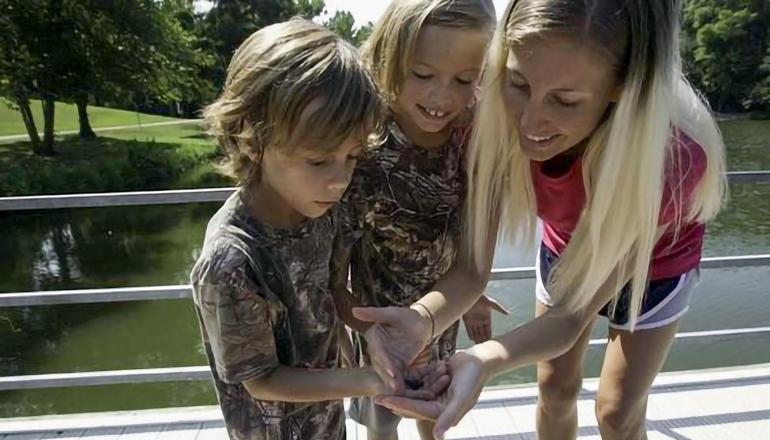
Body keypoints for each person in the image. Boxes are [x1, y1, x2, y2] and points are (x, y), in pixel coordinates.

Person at [373, 1, 728, 439]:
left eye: (565, 101)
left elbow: (569, 317)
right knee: (555, 386)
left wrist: (486, 358)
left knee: (617, 411)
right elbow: (471, 270)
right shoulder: (484, 109)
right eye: (518, 84)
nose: (529, 122)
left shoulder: (673, 164)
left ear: (621, 87)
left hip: (657, 267)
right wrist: (424, 320)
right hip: (566, 244)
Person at [190, 19, 445, 440]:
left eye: (351, 157)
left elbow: (332, 290)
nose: (340, 181)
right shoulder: (231, 262)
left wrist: (369, 332)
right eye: (318, 160)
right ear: (252, 138)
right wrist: (368, 381)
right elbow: (262, 380)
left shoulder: (321, 209)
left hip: (328, 422)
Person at [328, 1, 504, 439]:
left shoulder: (481, 143)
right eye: (421, 74)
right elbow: (331, 281)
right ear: (388, 57)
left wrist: (468, 298)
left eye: (465, 80)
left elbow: (472, 261)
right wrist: (370, 330)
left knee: (434, 420)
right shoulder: (356, 147)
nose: (442, 98)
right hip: (374, 333)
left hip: (439, 319)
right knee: (381, 423)